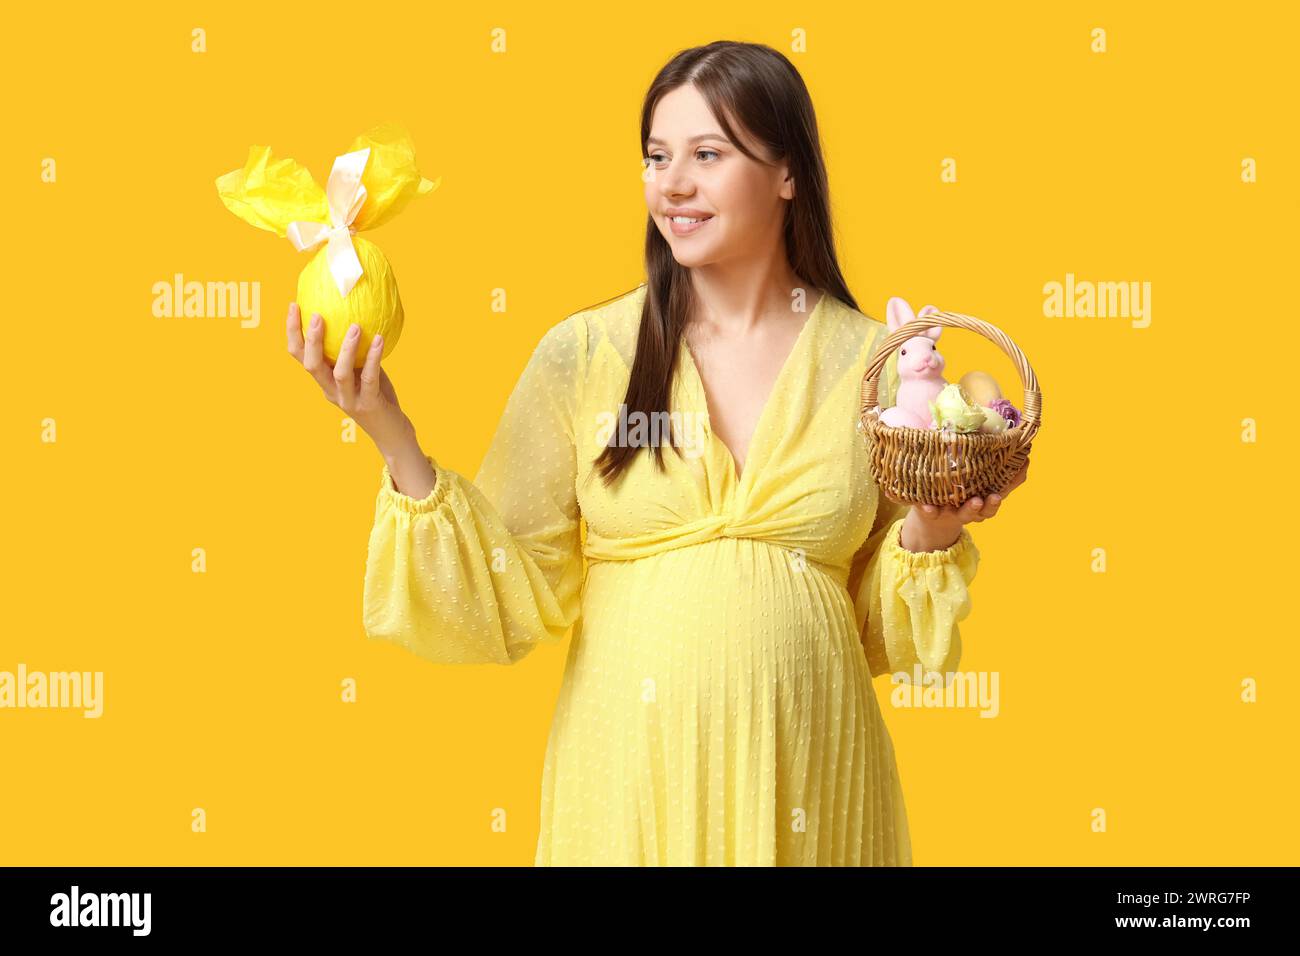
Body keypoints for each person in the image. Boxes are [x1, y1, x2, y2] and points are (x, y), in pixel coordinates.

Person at [287, 40, 1028, 866]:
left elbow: (878, 630)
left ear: (788, 172)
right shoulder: (583, 354)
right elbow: (502, 593)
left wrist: (931, 528)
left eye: (707, 155)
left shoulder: (875, 367)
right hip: (628, 789)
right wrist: (390, 427)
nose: (671, 184)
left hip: (813, 789)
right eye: (656, 157)